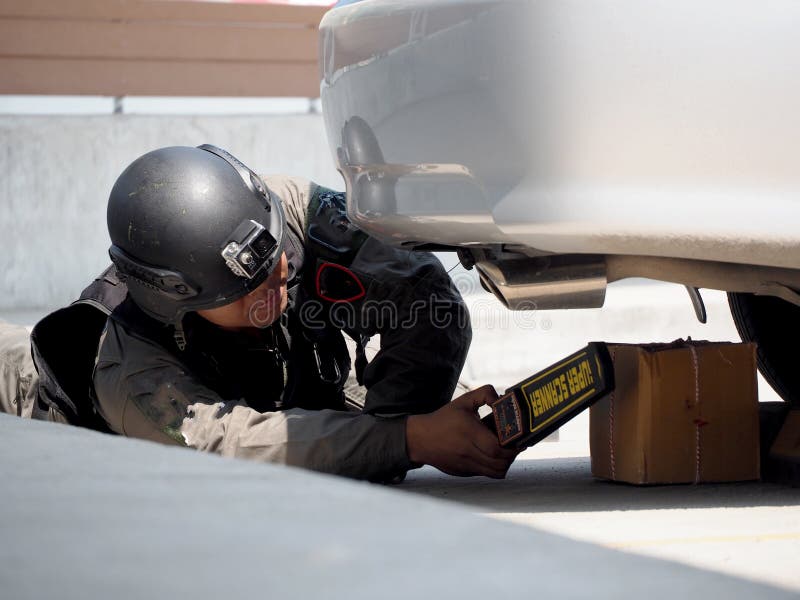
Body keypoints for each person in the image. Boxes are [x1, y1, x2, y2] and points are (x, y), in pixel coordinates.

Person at [0, 145, 517, 481]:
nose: (279, 280)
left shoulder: (275, 213)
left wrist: (407, 431)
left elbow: (424, 299)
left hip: (275, 383)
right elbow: (236, 446)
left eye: (276, 265)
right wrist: (408, 439)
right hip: (39, 394)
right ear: (182, 301)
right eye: (248, 289)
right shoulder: (133, 374)